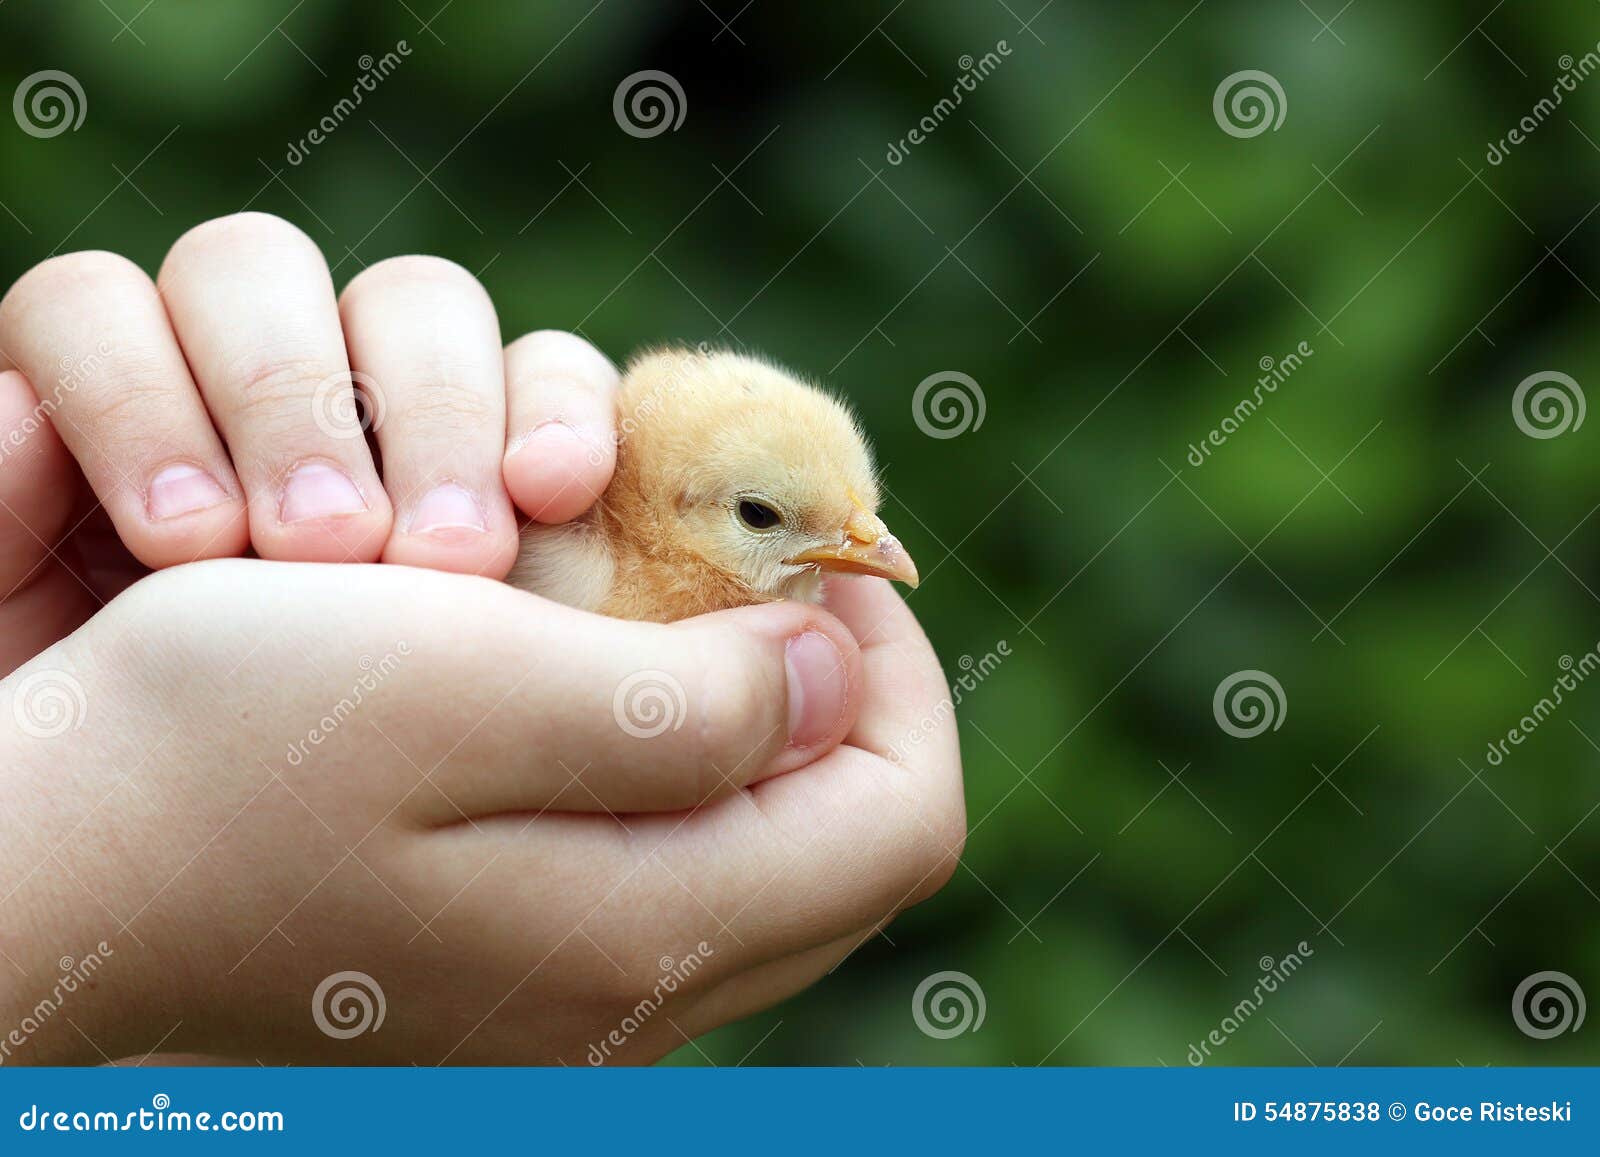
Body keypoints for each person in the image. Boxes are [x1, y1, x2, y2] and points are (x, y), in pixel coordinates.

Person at [0, 213, 965, 1066]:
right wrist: (97, 850)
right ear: (666, 509)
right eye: (761, 515)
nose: (868, 545)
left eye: (859, 514)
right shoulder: (566, 568)